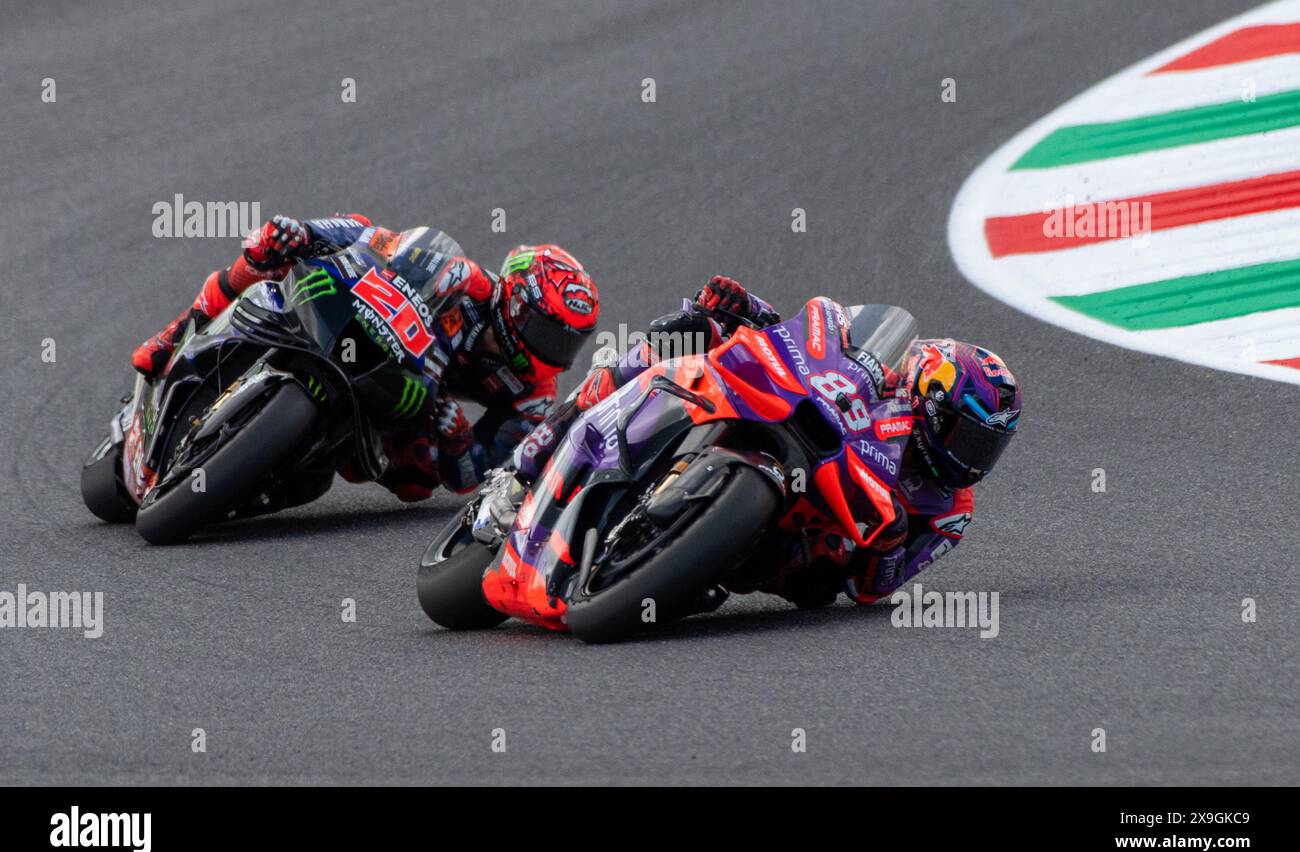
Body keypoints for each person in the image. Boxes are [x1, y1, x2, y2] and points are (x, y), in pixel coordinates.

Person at [508, 275, 1020, 608]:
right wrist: (740, 307)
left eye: (986, 449)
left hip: (798, 547)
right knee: (680, 336)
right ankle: (541, 449)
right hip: (785, 425)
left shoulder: (950, 509)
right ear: (929, 399)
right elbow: (803, 346)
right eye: (967, 437)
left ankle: (664, 563)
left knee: (803, 589)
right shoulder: (885, 379)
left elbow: (876, 589)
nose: (971, 460)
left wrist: (887, 543)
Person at [130, 213, 599, 500]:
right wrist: (307, 234)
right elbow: (375, 239)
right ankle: (175, 333)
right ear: (515, 299)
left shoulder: (533, 396)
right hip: (369, 331)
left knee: (416, 485)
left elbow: (476, 476)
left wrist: (457, 440)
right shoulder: (463, 278)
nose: (551, 351)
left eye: (566, 343)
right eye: (546, 332)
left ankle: (300, 453)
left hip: (409, 396)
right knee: (272, 247)